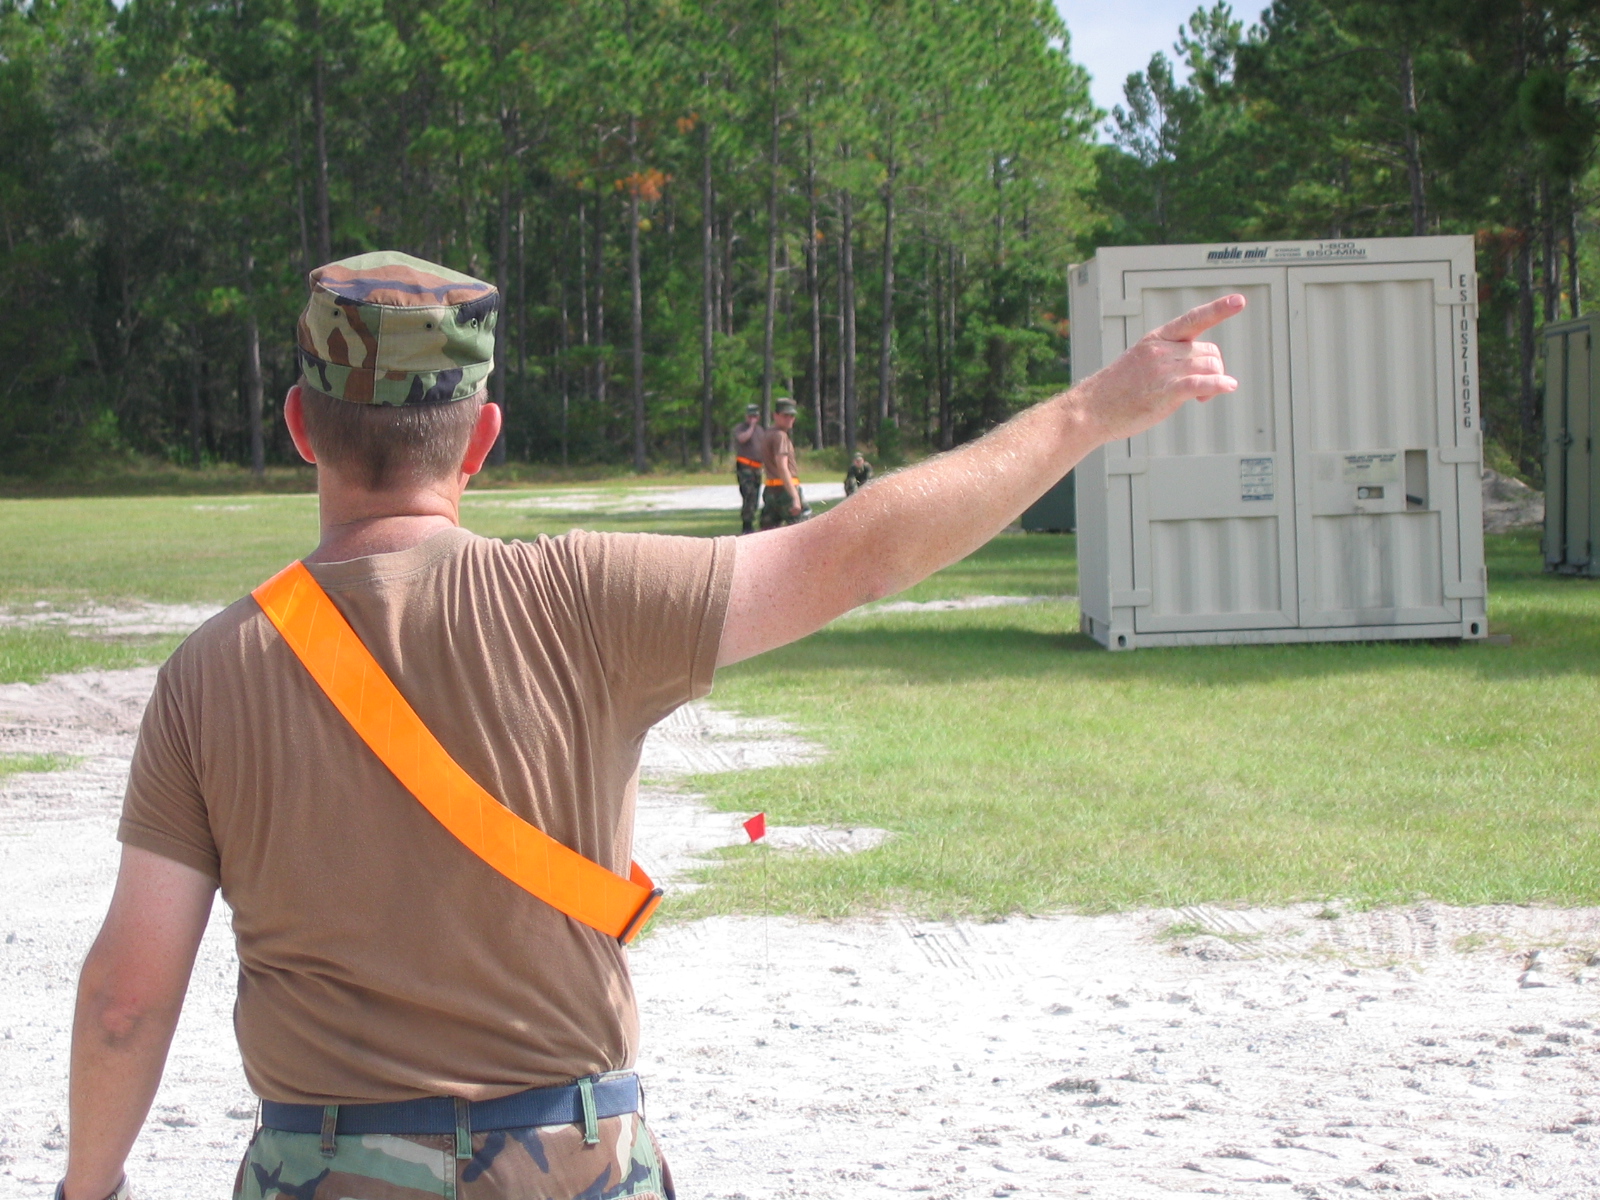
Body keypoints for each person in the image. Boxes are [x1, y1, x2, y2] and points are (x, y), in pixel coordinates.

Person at [59, 248, 1242, 1200]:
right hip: (567, 1154)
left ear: (300, 426)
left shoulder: (208, 673)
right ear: (480, 437)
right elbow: (864, 549)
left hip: (327, 1166)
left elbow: (127, 997)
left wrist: (89, 1187)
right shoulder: (587, 598)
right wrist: (1089, 411)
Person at [758, 399, 808, 528]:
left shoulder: (767, 434)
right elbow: (782, 466)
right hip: (785, 491)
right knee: (804, 532)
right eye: (785, 416)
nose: (789, 419)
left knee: (768, 535)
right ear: (775, 415)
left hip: (771, 490)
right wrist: (795, 497)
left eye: (792, 416)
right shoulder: (780, 436)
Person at [731, 404, 764, 533]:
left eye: (755, 416)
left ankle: (751, 521)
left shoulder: (760, 430)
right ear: (746, 416)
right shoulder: (740, 428)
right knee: (748, 495)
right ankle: (747, 524)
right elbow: (742, 439)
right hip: (745, 468)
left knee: (755, 497)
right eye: (750, 416)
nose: (752, 418)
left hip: (757, 468)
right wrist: (751, 426)